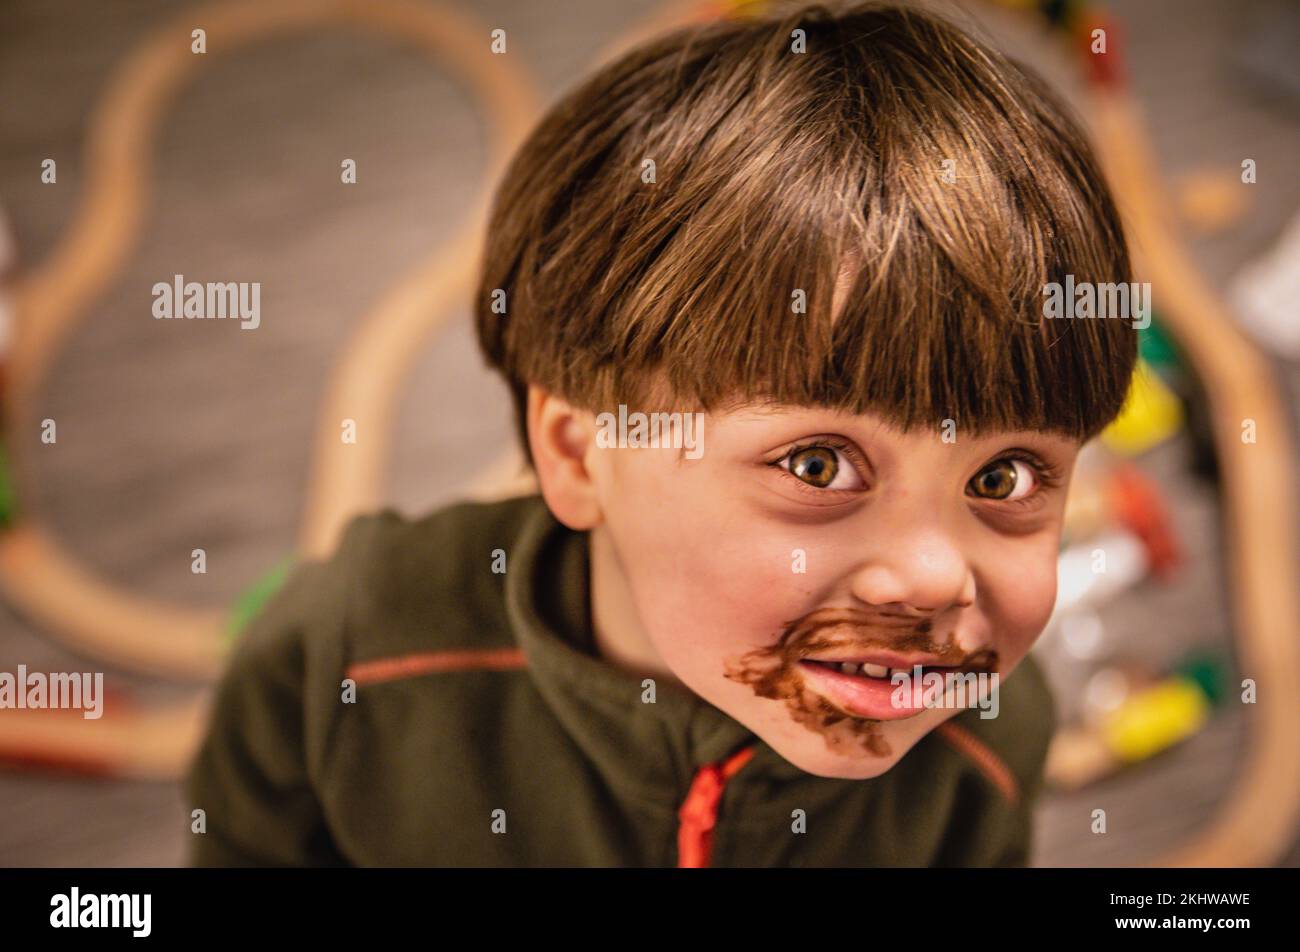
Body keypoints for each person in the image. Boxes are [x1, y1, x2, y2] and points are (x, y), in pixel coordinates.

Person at [187, 1, 1138, 866]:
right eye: (818, 463)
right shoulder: (346, 654)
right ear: (575, 452)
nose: (937, 578)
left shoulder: (988, 744)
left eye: (1006, 477)